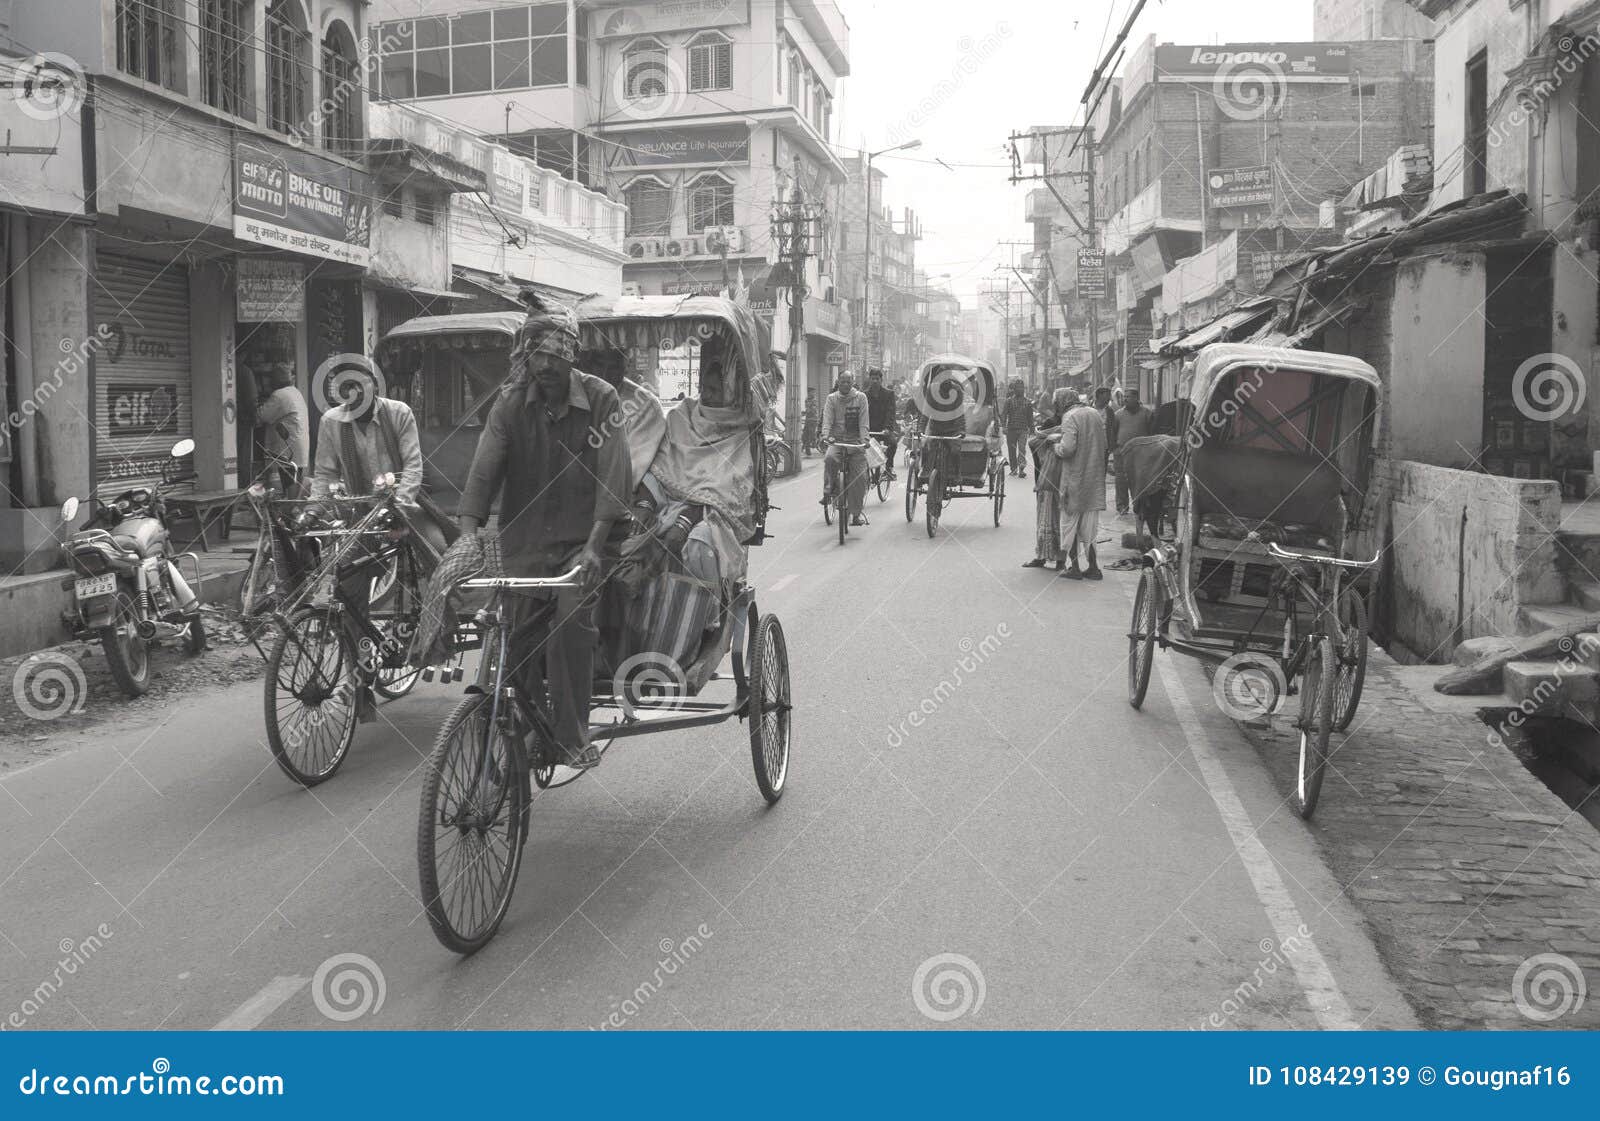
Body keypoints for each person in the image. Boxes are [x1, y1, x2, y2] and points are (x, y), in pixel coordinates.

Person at [457, 296, 630, 770]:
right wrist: (468, 536)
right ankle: (524, 726)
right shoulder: (510, 405)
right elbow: (482, 475)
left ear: (572, 355)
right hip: (525, 543)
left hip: (585, 543)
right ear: (527, 356)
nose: (548, 363)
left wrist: (594, 548)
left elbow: (614, 479)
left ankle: (571, 736)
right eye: (539, 353)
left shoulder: (602, 400)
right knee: (513, 637)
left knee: (569, 626)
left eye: (557, 354)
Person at [308, 366, 427, 720]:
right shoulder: (332, 422)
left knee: (432, 565)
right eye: (345, 389)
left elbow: (413, 466)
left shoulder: (398, 413)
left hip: (403, 508)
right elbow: (325, 473)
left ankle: (420, 632)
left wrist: (399, 512)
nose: (353, 395)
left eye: (359, 386)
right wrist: (312, 513)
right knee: (348, 588)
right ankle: (361, 667)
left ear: (374, 386)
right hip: (358, 516)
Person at [589, 347, 667, 492]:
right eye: (599, 364)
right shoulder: (578, 394)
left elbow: (629, 472)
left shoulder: (645, 406)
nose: (604, 374)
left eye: (613, 367)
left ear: (626, 366)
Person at [1055, 392, 1108, 581]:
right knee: (1090, 528)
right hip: (1093, 479)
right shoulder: (1094, 413)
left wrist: (1056, 447)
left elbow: (1068, 449)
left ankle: (1074, 568)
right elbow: (1104, 444)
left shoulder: (1069, 417)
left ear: (1063, 402)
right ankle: (1094, 567)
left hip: (1074, 480)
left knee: (1069, 526)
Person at [1023, 388, 1074, 570]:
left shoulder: (1062, 422)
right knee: (1059, 519)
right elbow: (1037, 443)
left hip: (1054, 476)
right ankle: (1056, 559)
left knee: (1053, 518)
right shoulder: (1062, 422)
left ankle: (1049, 558)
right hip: (1060, 477)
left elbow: (1036, 444)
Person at [821, 369, 872, 526]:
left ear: (852, 383)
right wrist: (825, 435)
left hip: (856, 442)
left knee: (860, 479)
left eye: (848, 382)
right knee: (829, 458)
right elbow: (827, 420)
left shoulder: (861, 398)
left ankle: (855, 515)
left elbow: (864, 421)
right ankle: (830, 488)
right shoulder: (831, 399)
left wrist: (865, 439)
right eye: (842, 381)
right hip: (837, 441)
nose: (845, 384)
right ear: (838, 382)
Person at [255, 363, 308, 496]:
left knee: (288, 486)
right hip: (297, 447)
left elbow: (262, 415)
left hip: (288, 450)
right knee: (294, 484)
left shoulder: (279, 395)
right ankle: (291, 510)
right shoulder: (295, 392)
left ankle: (288, 511)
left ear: (275, 380)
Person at [1111, 387, 1153, 514]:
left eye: (1128, 397)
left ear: (1136, 398)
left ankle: (1138, 505)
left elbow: (1152, 433)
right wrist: (1115, 449)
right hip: (1122, 452)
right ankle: (1122, 506)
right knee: (1121, 480)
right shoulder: (1118, 414)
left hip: (1141, 453)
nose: (1125, 399)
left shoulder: (1147, 413)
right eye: (1125, 397)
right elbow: (1113, 433)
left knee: (1139, 479)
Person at [863, 367, 898, 481]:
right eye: (873, 378)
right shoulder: (864, 395)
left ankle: (889, 468)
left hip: (884, 429)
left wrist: (887, 428)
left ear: (881, 380)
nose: (875, 381)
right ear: (869, 379)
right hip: (869, 429)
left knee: (893, 443)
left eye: (877, 379)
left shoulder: (889, 394)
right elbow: (862, 413)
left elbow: (890, 412)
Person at [1001, 377, 1034, 479]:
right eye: (1018, 387)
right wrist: (1004, 426)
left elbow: (1030, 417)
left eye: (1022, 387)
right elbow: (1004, 415)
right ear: (1014, 389)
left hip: (1023, 430)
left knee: (1022, 449)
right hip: (1011, 430)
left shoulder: (1028, 402)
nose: (1020, 389)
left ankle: (1021, 469)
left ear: (1024, 389)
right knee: (1011, 450)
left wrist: (1032, 429)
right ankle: (1013, 469)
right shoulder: (1009, 401)